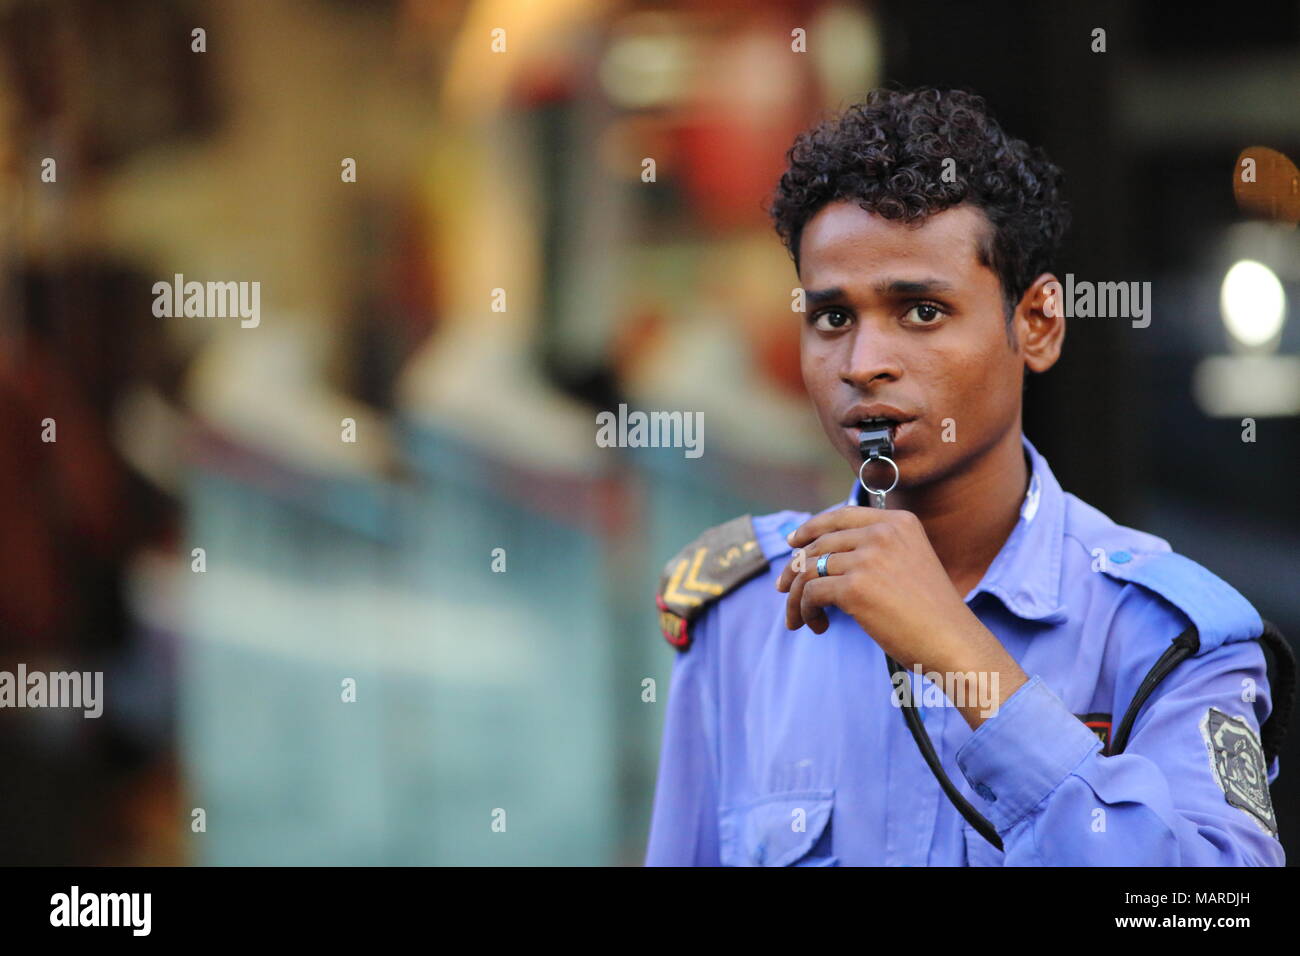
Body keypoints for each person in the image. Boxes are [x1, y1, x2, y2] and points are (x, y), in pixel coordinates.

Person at [644, 87, 1287, 866]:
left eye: (920, 311)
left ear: (1038, 323)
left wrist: (961, 656)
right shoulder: (746, 614)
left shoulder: (1163, 634)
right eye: (832, 317)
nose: (863, 364)